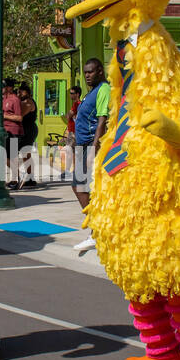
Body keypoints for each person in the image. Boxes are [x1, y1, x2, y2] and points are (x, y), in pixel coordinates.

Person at [71, 58, 111, 252]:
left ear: (100, 72)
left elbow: (102, 119)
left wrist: (95, 146)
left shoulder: (103, 89)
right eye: (85, 72)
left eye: (91, 72)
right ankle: (97, 228)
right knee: (80, 187)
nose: (87, 75)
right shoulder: (90, 93)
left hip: (90, 146)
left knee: (82, 187)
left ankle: (97, 230)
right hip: (81, 145)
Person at [16, 84, 39, 189]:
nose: (19, 93)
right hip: (27, 129)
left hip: (28, 129)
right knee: (26, 154)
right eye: (18, 92)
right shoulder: (24, 101)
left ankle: (26, 178)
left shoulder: (28, 102)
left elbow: (20, 114)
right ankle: (30, 178)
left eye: (22, 91)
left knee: (22, 153)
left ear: (28, 92)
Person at [1, 79, 23, 189]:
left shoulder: (15, 100)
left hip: (14, 131)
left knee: (12, 157)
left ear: (10, 87)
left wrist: (4, 116)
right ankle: (16, 177)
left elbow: (19, 117)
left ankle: (16, 178)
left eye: (4, 86)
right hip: (5, 131)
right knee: (4, 156)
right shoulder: (3, 99)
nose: (2, 88)